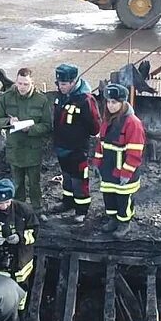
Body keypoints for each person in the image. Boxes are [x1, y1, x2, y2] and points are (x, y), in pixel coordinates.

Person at [0, 68, 53, 212]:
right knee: (17, 183)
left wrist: (30, 129)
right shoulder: (7, 97)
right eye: (19, 83)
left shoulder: (41, 100)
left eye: (26, 84)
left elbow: (47, 126)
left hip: (33, 149)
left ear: (32, 82)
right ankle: (19, 210)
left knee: (34, 183)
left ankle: (37, 209)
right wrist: (9, 121)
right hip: (15, 149)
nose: (22, 87)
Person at [91, 83, 146, 238]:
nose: (110, 105)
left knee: (123, 199)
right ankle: (113, 219)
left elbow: (135, 151)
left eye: (114, 102)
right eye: (108, 102)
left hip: (122, 169)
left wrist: (127, 172)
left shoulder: (133, 123)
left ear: (122, 103)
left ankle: (124, 223)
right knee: (109, 196)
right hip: (108, 168)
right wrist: (96, 164)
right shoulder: (107, 120)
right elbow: (100, 144)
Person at [50, 63, 102, 224]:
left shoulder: (86, 100)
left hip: (78, 149)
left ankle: (81, 210)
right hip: (61, 146)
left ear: (74, 82)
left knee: (79, 180)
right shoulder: (60, 96)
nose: (61, 86)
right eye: (59, 83)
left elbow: (95, 127)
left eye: (64, 84)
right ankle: (68, 201)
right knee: (67, 177)